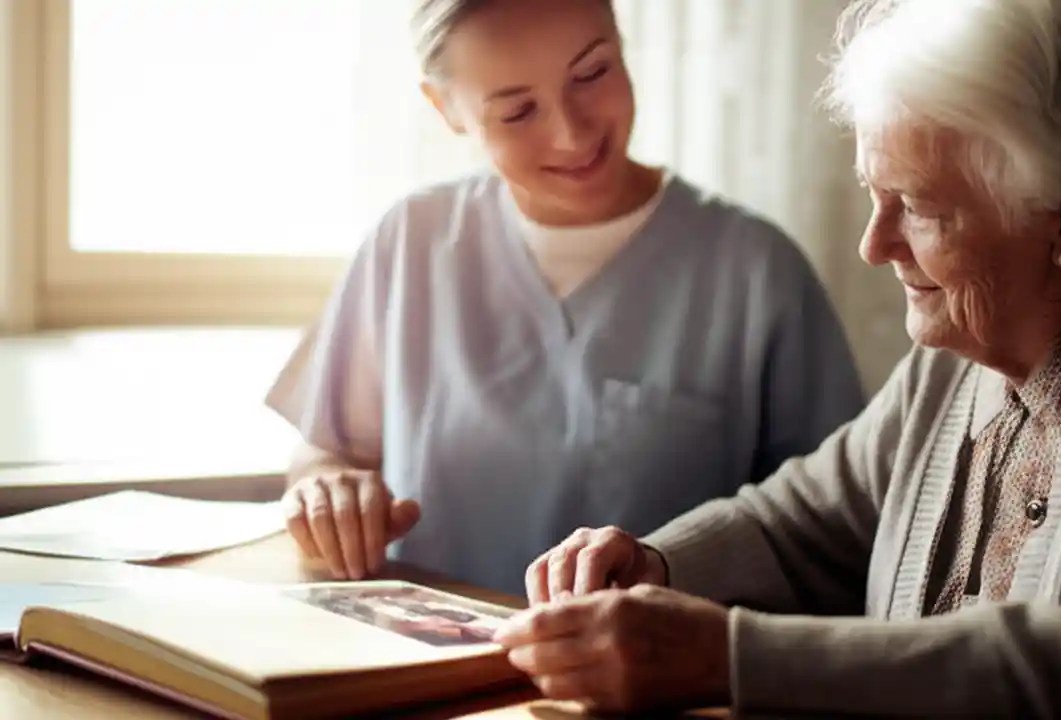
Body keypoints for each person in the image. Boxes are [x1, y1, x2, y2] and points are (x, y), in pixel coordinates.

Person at [498, 0, 1061, 715]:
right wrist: (652, 565)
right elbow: (799, 523)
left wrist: (727, 657)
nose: (876, 245)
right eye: (877, 195)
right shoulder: (953, 365)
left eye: (923, 208)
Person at [266, 0, 863, 596]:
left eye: (592, 73)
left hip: (653, 685)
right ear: (445, 109)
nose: (571, 133)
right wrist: (327, 490)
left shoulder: (756, 270)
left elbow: (830, 529)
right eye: (518, 110)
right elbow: (329, 452)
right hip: (417, 667)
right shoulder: (409, 242)